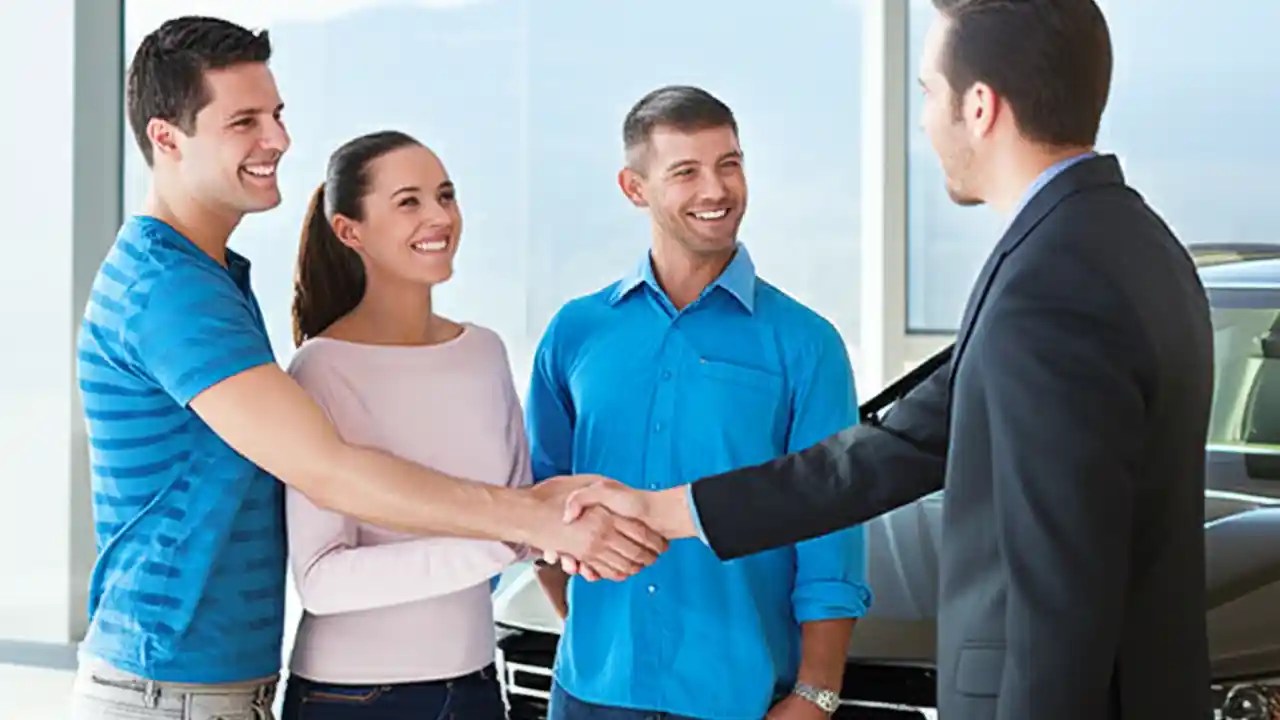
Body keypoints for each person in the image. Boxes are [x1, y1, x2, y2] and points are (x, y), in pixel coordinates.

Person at [562, 3, 1214, 720]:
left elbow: (1060, 585)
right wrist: (668, 509)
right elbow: (903, 447)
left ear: (979, 107)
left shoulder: (1052, 280)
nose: (925, 122)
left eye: (928, 92)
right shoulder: (1126, 244)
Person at [72, 17, 662, 720]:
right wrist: (529, 522)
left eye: (277, 115)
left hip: (209, 686)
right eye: (244, 122)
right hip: (166, 692)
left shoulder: (212, 279)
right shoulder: (170, 291)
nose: (278, 139)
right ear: (167, 138)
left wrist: (540, 521)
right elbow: (329, 470)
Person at [528, 85, 872, 720]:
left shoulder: (806, 344)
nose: (716, 189)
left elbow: (833, 528)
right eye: (686, 171)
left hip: (739, 700)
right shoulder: (575, 332)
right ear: (634, 188)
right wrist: (592, 634)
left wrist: (817, 695)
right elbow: (541, 503)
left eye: (729, 164)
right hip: (589, 696)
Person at [279, 130, 526, 719]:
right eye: (408, 202)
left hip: (475, 684)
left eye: (446, 195)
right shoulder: (321, 369)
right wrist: (499, 541)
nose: (439, 216)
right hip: (354, 697)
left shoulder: (484, 352)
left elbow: (523, 510)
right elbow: (322, 579)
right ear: (350, 231)